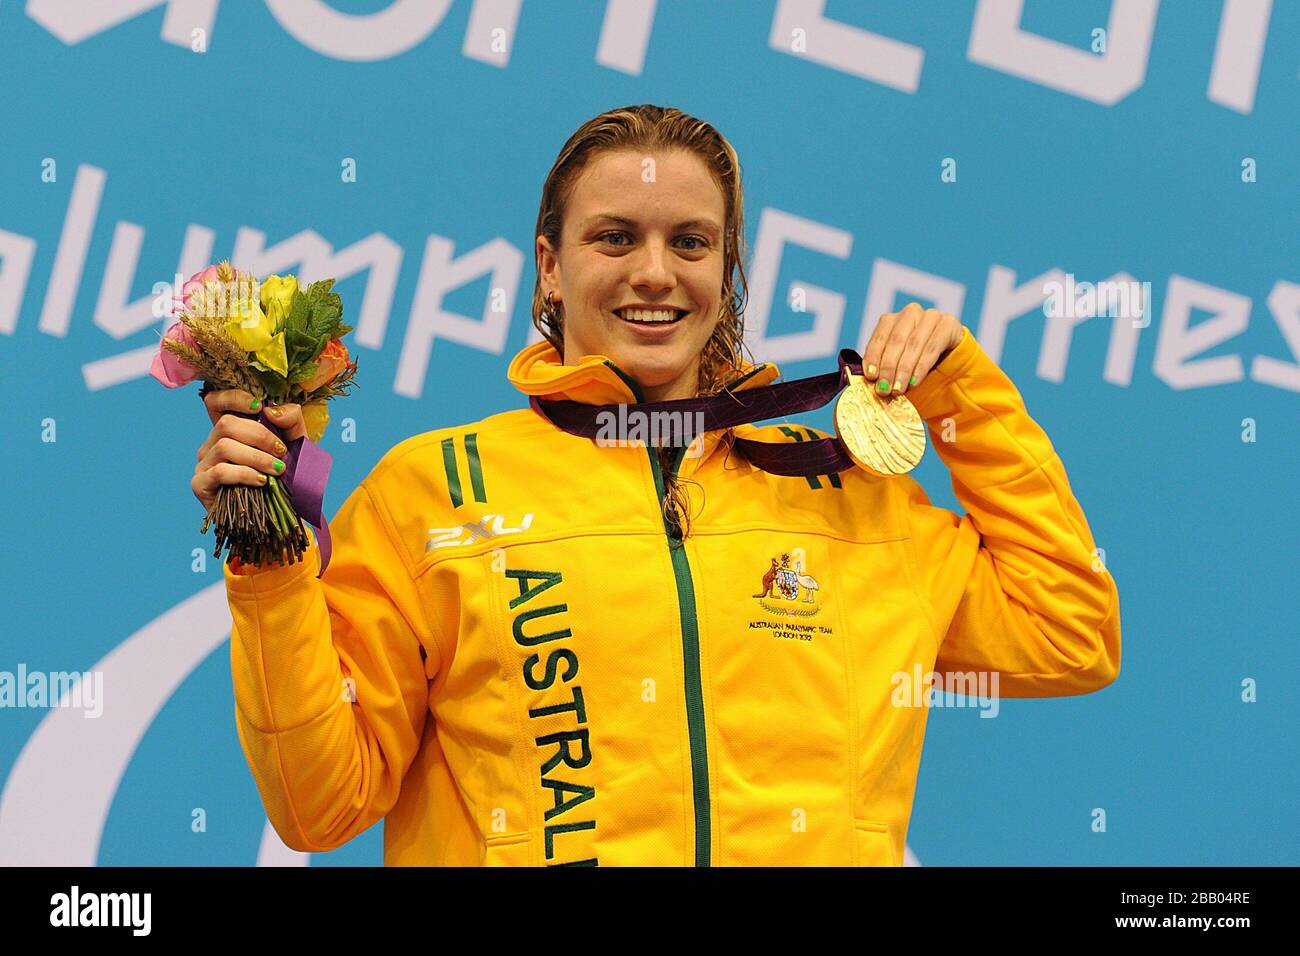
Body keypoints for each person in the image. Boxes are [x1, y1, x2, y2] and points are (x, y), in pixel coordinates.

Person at [193, 104, 1120, 867]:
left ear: (727, 272)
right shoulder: (435, 490)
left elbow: (1070, 634)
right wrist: (271, 566)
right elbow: (321, 808)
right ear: (550, 267)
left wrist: (961, 396)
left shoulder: (842, 486)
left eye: (690, 242)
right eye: (613, 237)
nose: (654, 273)